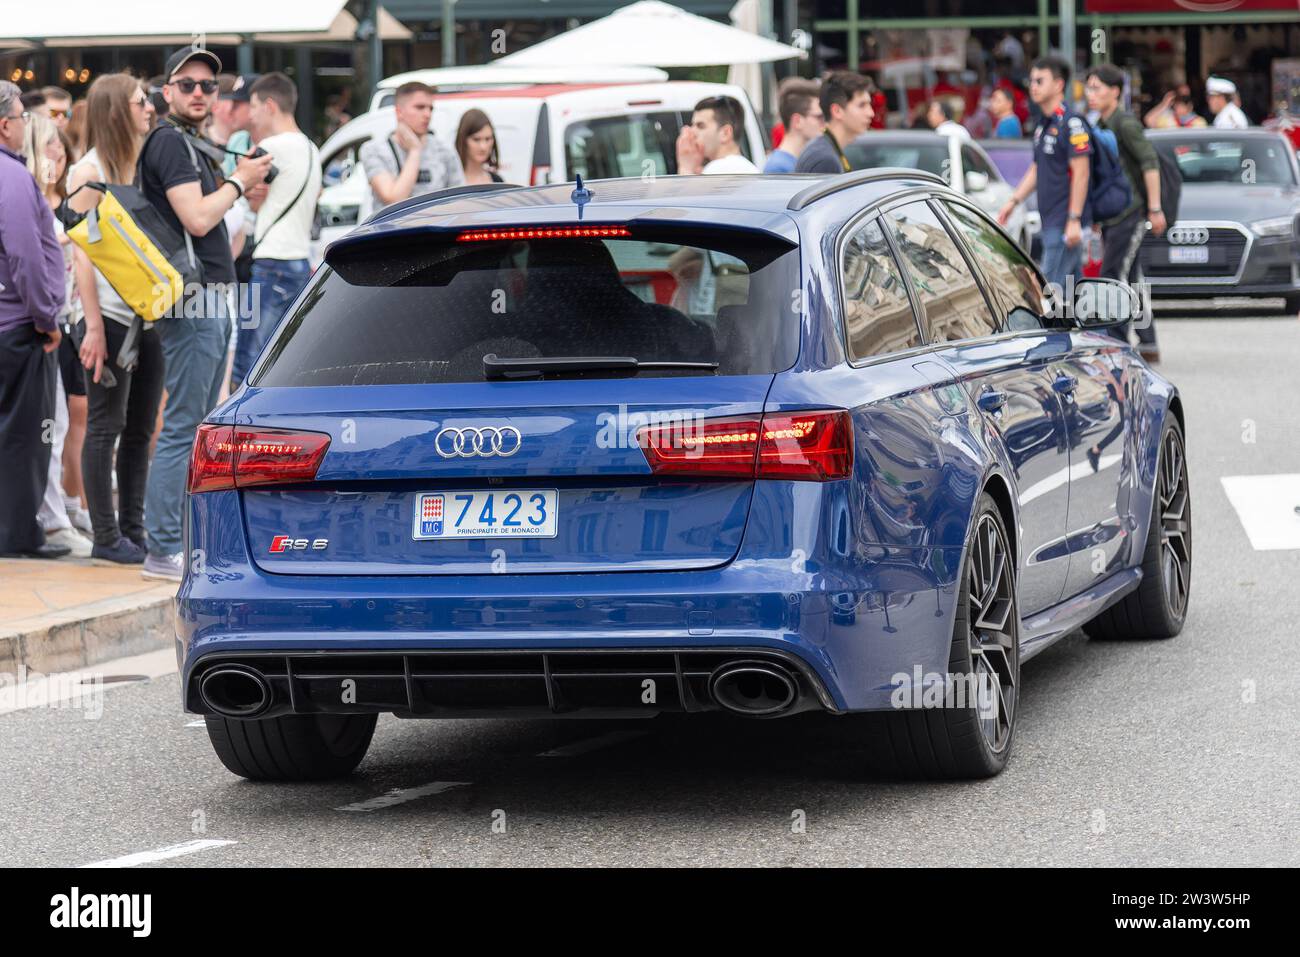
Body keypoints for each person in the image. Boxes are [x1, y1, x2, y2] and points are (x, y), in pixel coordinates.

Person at [137, 45, 272, 581]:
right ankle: (162, 545)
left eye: (207, 86)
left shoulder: (191, 144)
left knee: (198, 423)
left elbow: (216, 230)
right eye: (187, 83)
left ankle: (177, 539)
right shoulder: (170, 142)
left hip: (210, 296)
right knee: (183, 425)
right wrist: (241, 182)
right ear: (166, 91)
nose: (199, 92)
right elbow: (196, 218)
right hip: (193, 301)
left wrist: (238, 186)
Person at [67, 73, 165, 564]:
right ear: (115, 110)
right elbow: (83, 255)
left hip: (148, 315)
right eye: (139, 101)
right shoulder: (88, 171)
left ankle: (133, 527)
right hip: (106, 316)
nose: (149, 107)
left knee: (142, 427)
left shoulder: (138, 165)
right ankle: (105, 537)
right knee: (106, 425)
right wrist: (95, 328)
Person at [0, 81, 69, 559]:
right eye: (22, 117)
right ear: (5, 125)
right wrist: (46, 317)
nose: (26, 124)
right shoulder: (12, 176)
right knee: (26, 437)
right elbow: (25, 255)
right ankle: (19, 535)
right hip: (19, 326)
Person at [22, 115, 92, 557]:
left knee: (62, 422)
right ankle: (50, 516)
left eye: (62, 148)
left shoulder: (65, 201)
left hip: (65, 323)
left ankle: (64, 509)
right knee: (50, 423)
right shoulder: (25, 200)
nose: (58, 156)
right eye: (49, 147)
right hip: (37, 324)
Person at [233, 72, 322, 389]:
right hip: (298, 264)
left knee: (248, 365)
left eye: (254, 107)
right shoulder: (311, 148)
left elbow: (235, 185)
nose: (250, 115)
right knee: (284, 366)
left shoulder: (271, 147)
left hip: (271, 265)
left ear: (269, 105)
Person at [1086, 64, 1165, 361]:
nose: (1091, 95)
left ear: (1115, 92)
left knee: (1113, 276)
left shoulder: (1125, 124)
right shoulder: (1102, 124)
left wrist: (1154, 208)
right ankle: (1148, 342)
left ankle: (1117, 342)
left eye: (1097, 88)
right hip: (1112, 215)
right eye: (1089, 88)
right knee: (1130, 277)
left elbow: (1150, 163)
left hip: (1129, 214)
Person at [998, 56, 1092, 293]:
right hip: (1050, 219)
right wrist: (1013, 201)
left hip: (1063, 223)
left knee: (1048, 293)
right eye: (1031, 81)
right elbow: (1037, 168)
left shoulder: (1072, 123)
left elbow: (1082, 173)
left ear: (1059, 85)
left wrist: (1074, 219)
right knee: (1072, 294)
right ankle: (1091, 329)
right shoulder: (1043, 124)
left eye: (1040, 81)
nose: (1033, 87)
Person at [360, 81, 463, 211]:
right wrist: (415, 151)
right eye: (420, 107)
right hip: (393, 230)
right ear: (399, 112)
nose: (427, 114)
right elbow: (393, 199)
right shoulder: (374, 150)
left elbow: (459, 202)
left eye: (430, 108)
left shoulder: (444, 151)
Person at [795, 71, 875, 174]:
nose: (871, 113)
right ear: (837, 111)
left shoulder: (824, 151)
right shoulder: (825, 159)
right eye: (862, 105)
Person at [676, 95, 759, 174]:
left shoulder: (717, 170)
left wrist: (685, 167)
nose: (692, 132)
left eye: (700, 126)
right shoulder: (749, 168)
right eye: (692, 125)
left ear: (726, 133)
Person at [763, 80, 824, 173]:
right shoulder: (778, 168)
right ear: (797, 121)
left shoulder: (788, 163)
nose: (824, 122)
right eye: (819, 117)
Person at [455, 109, 504, 184]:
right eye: (476, 139)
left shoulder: (498, 181)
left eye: (488, 139)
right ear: (463, 140)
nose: (483, 147)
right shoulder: (451, 182)